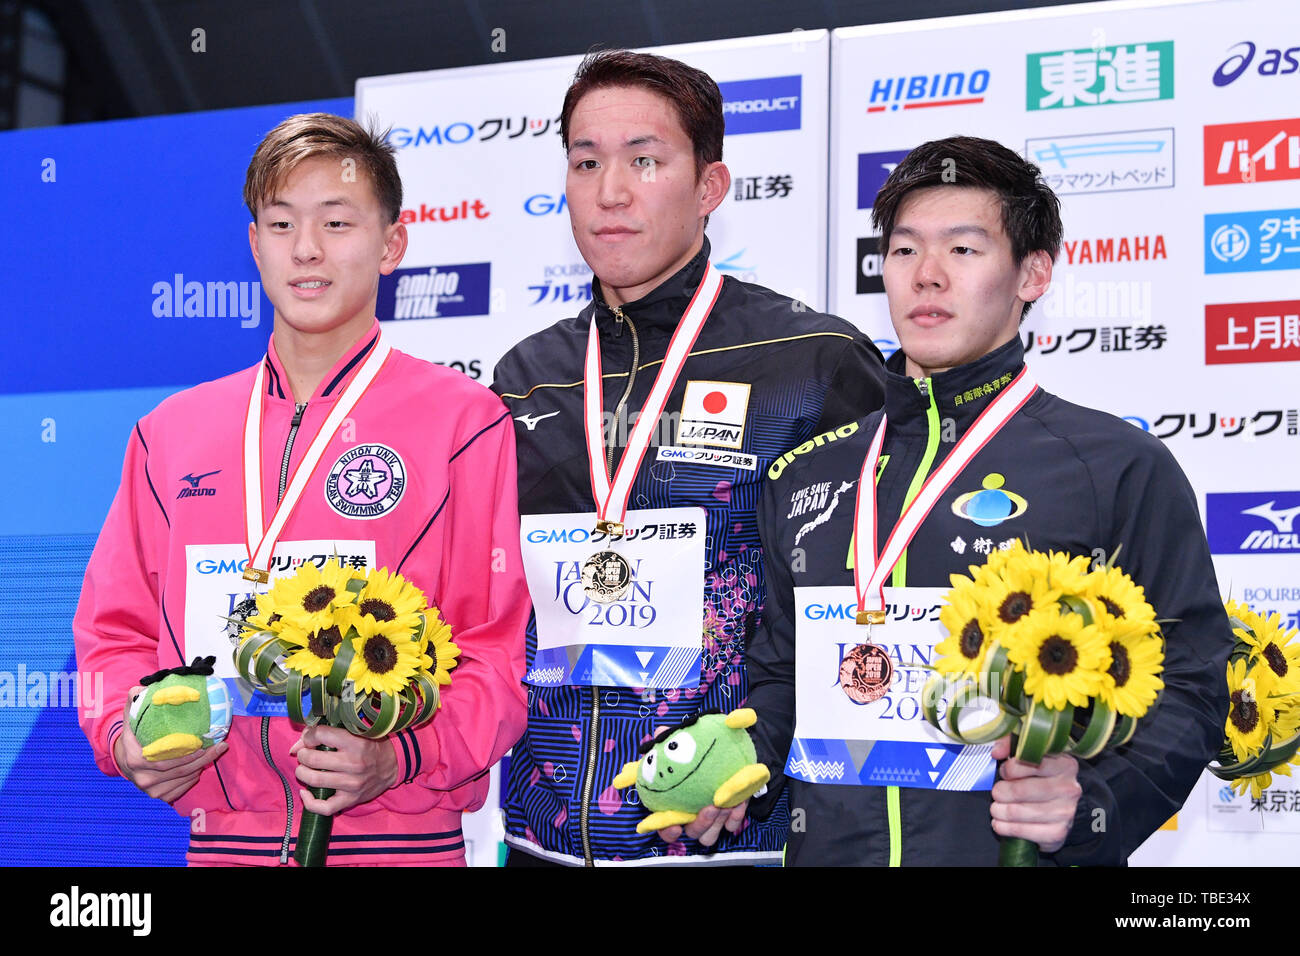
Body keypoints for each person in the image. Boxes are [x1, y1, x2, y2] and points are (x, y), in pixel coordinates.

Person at [746, 136, 1230, 865]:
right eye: (905, 252)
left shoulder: (1114, 466)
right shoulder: (810, 474)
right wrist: (737, 761)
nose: (926, 277)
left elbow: (1190, 682)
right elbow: (780, 674)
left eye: (964, 251)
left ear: (1032, 273)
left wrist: (1091, 802)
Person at [73, 113, 528, 866]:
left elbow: (495, 650)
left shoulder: (463, 422)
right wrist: (126, 739)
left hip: (400, 840)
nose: (307, 249)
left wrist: (403, 756)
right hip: (221, 839)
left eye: (338, 221)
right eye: (281, 223)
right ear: (254, 245)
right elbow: (112, 631)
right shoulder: (171, 431)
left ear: (392, 245)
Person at [491, 50, 886, 866]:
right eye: (585, 161)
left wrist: (756, 765)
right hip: (544, 836)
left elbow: (857, 610)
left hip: (729, 833)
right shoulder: (527, 375)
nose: (610, 191)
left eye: (646, 160)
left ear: (709, 187)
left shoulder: (811, 363)